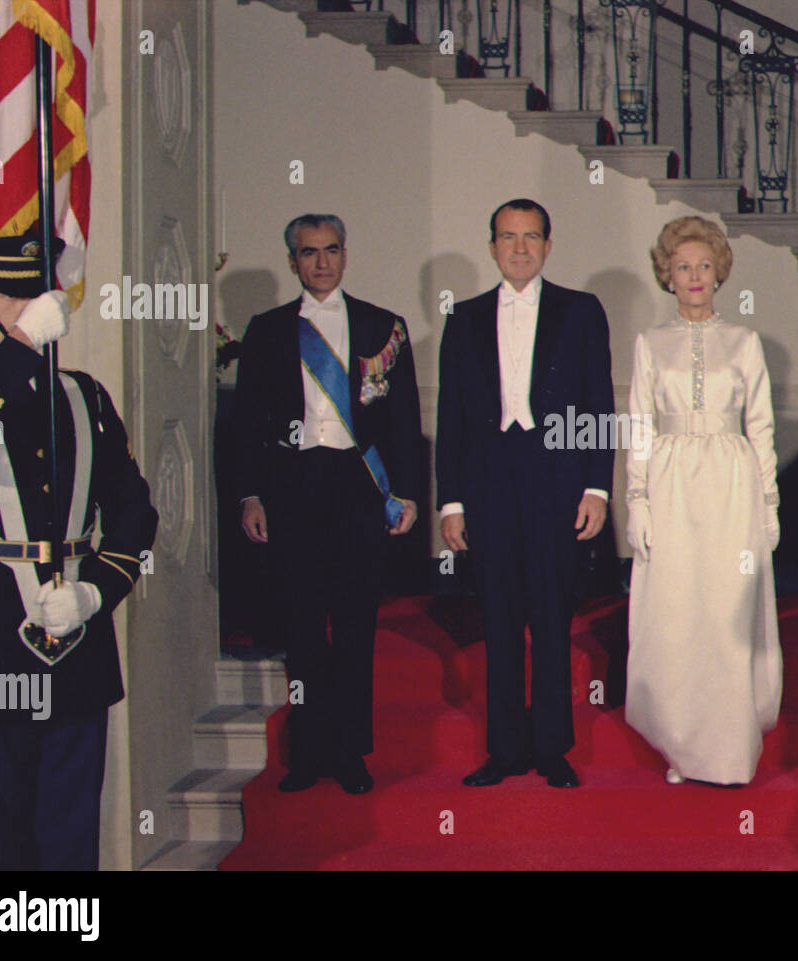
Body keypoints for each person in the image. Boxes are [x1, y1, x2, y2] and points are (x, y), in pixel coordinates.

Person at [0, 233, 158, 870]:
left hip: (75, 642)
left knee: (69, 832)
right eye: (10, 294)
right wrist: (17, 349)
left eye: (36, 292)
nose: (29, 306)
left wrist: (96, 590)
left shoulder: (85, 396)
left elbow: (133, 511)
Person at [234, 213, 421, 795]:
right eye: (308, 252)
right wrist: (250, 494)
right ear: (292, 261)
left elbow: (404, 420)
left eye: (331, 250)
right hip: (291, 486)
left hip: (356, 486)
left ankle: (350, 753)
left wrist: (407, 491)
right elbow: (246, 423)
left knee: (357, 624)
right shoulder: (265, 330)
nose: (321, 262)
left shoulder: (381, 325)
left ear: (346, 254)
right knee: (302, 626)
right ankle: (309, 752)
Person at [437, 198, 615, 789]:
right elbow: (453, 415)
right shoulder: (462, 318)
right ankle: (505, 748)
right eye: (508, 237)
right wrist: (452, 501)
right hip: (488, 485)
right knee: (500, 618)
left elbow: (597, 403)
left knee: (551, 615)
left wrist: (596, 486)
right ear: (491, 247)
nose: (519, 248)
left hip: (557, 482)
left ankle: (552, 747)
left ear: (547, 244)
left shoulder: (581, 311)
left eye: (531, 237)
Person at [624, 216, 782, 786]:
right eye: (682, 267)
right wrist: (636, 500)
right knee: (678, 614)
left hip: (731, 483)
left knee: (724, 610)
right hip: (669, 483)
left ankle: (730, 749)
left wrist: (769, 504)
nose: (694, 277)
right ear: (667, 276)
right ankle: (682, 746)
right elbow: (639, 426)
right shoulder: (649, 343)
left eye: (704, 267)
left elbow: (760, 427)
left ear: (719, 274)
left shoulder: (744, 342)